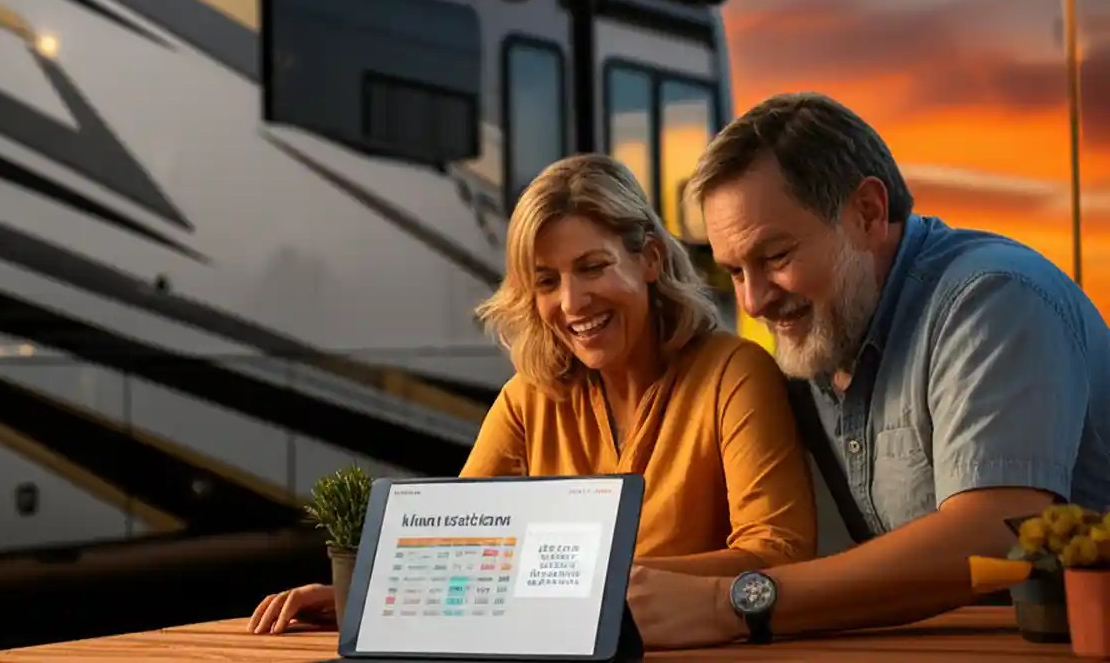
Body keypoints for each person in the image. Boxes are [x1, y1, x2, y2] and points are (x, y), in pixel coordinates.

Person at [248, 153, 818, 635]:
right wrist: (364, 595)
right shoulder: (528, 399)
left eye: (593, 267)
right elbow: (457, 548)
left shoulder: (734, 372)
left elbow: (779, 553)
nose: (571, 303)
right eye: (547, 281)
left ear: (648, 259)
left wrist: (589, 583)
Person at [625, 92, 1110, 649]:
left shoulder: (992, 299)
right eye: (735, 271)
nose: (754, 301)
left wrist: (730, 604)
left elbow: (994, 533)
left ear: (868, 213)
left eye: (776, 257)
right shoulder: (822, 336)